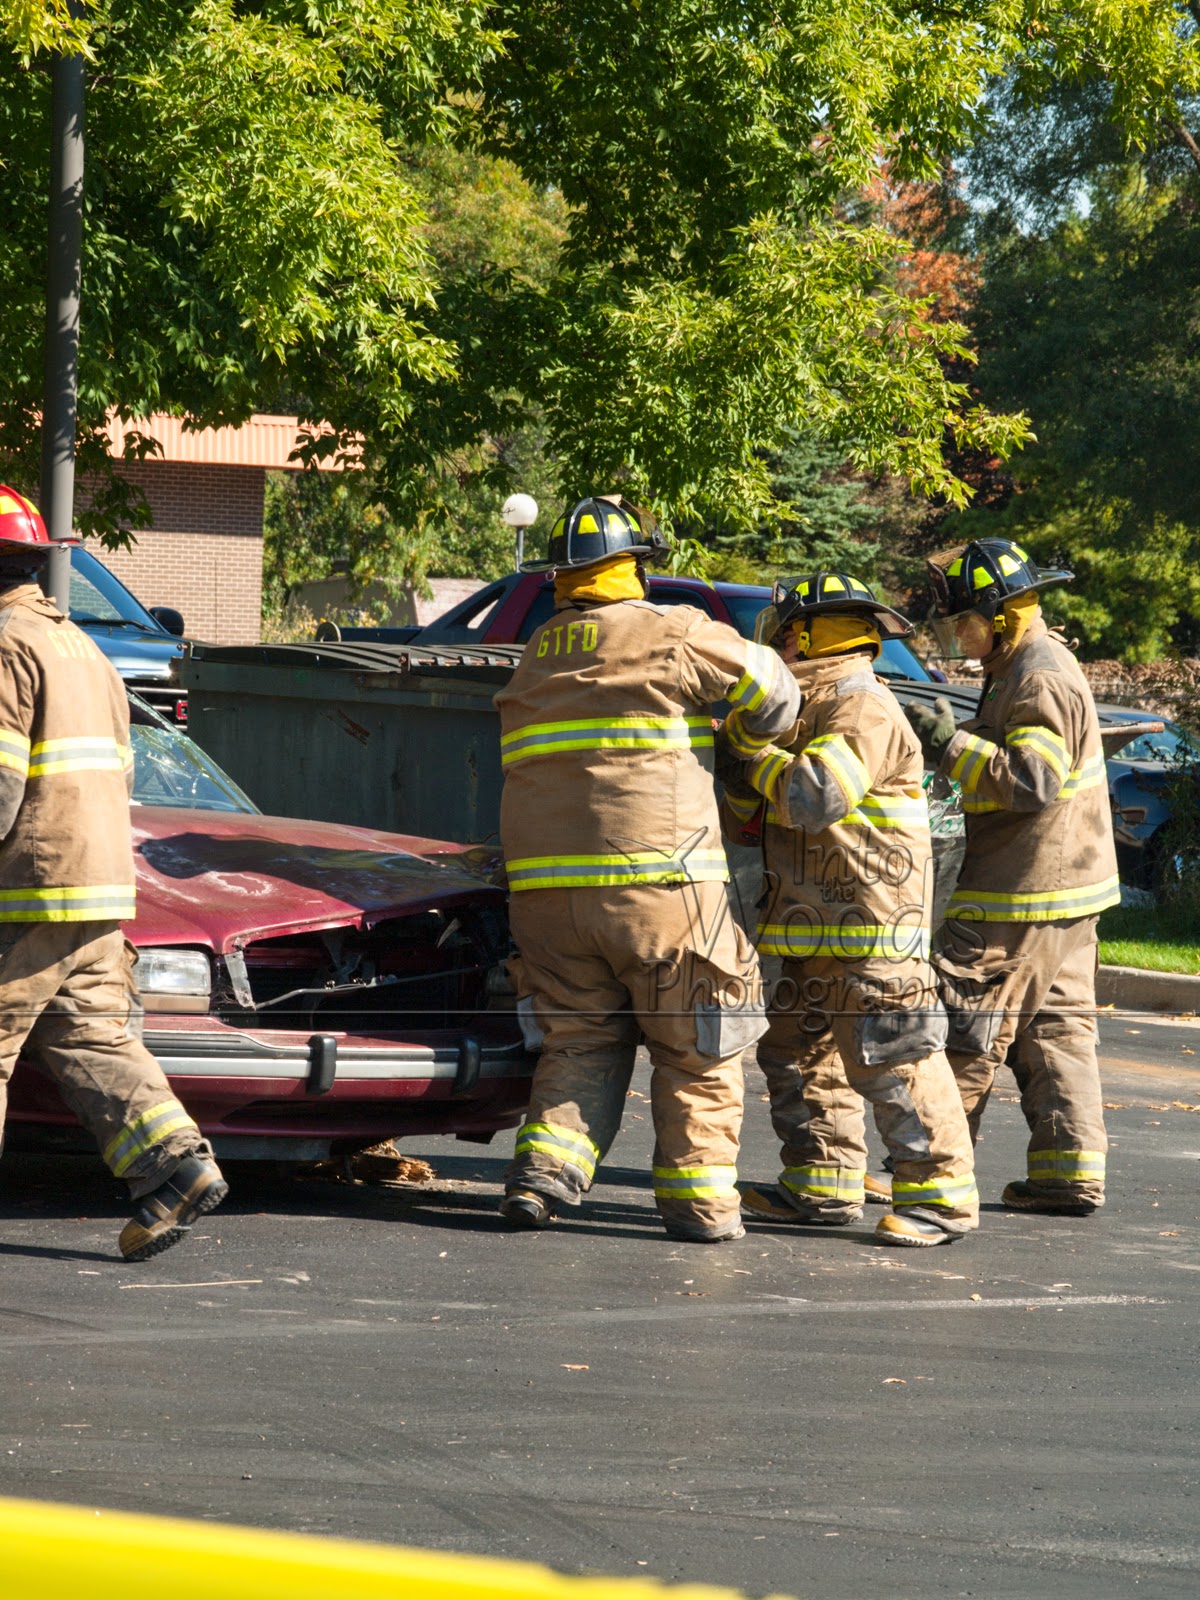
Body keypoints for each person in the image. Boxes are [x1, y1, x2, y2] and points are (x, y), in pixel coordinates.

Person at [494, 495, 801, 1242]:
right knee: (702, 1042)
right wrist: (746, 742)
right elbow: (778, 693)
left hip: (545, 900)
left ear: (561, 578)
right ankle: (699, 1205)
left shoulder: (536, 656)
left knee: (579, 1039)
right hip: (660, 887)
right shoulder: (674, 632)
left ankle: (541, 1176)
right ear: (636, 565)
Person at [0, 486, 227, 1259]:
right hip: (96, 881)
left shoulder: (4, 644)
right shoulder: (82, 647)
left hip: (26, 884)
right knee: (90, 1034)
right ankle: (175, 1169)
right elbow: (121, 774)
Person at [719, 572, 978, 1247]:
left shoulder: (861, 706)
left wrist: (754, 759)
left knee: (893, 1055)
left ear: (802, 634)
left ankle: (942, 1197)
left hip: (869, 925)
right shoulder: (816, 703)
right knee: (800, 1051)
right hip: (815, 921)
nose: (774, 643)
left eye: (782, 632)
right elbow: (761, 811)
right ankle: (823, 1183)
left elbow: (812, 796)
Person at [906, 538, 1118, 1216]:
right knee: (1055, 1028)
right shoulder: (1024, 662)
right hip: (1069, 887)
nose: (958, 638)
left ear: (1000, 613)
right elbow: (1012, 748)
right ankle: (1066, 1172)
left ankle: (932, 1171)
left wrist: (947, 745)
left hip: (1019, 889)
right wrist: (956, 736)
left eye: (963, 621)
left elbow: (1032, 780)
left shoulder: (1039, 674)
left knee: (964, 1022)